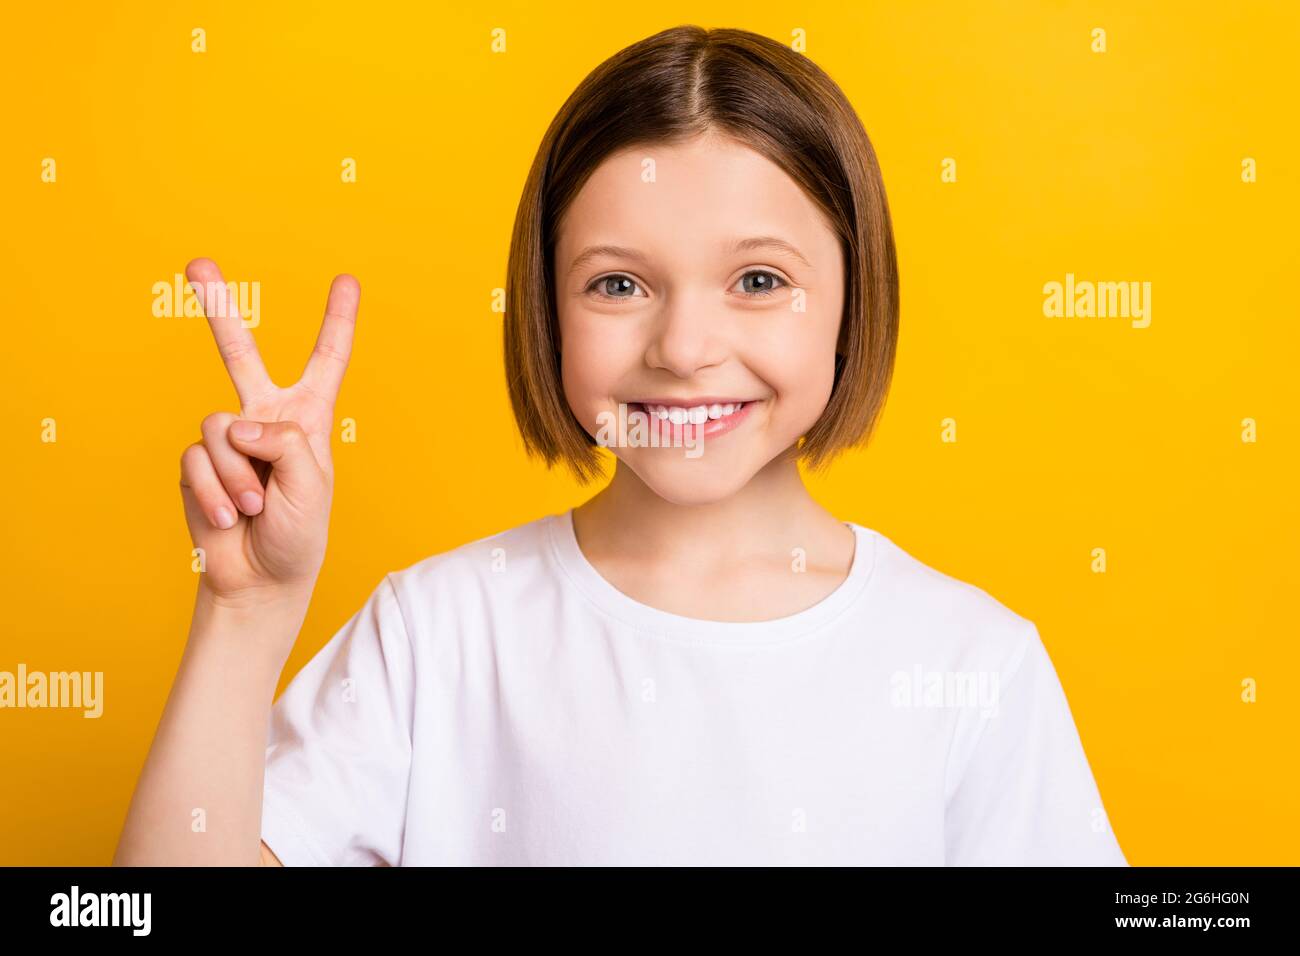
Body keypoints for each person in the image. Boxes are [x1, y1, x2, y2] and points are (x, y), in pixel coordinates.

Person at [114, 25, 1127, 866]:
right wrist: (245, 613)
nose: (683, 348)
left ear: (854, 295)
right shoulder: (439, 635)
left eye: (760, 279)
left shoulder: (969, 662)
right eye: (617, 283)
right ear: (547, 310)